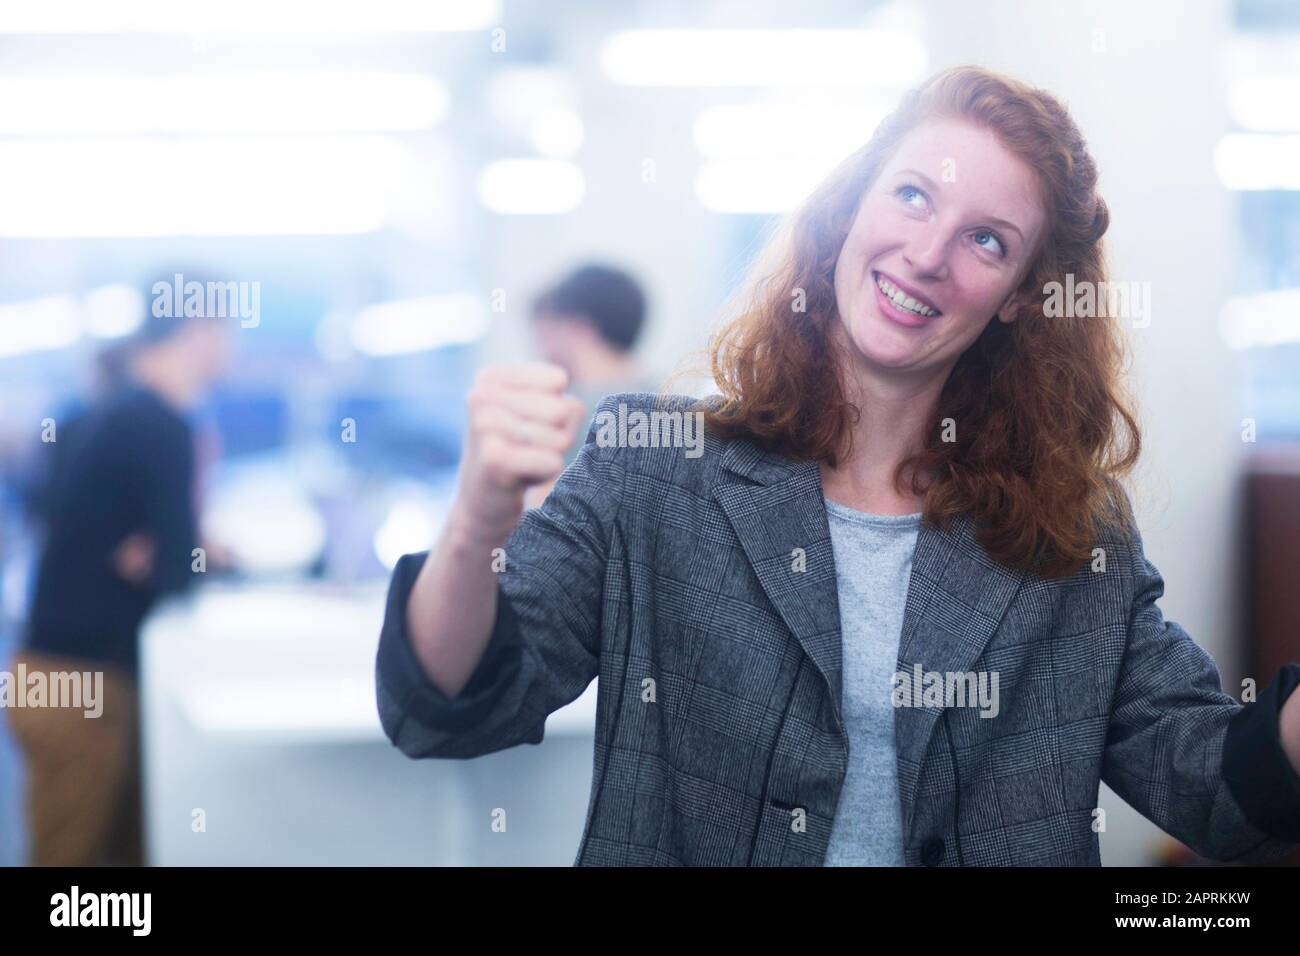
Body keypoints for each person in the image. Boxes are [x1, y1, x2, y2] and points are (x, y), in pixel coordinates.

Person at [375, 66, 1300, 865]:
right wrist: (478, 520)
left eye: (987, 240)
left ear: (1022, 297)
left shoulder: (1068, 530)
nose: (928, 255)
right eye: (911, 196)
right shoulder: (653, 470)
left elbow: (1214, 790)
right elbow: (455, 705)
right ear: (850, 206)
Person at [7, 296, 232, 866]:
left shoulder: (91, 414)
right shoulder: (161, 424)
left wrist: (158, 552)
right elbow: (182, 571)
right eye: (227, 330)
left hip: (47, 672)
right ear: (199, 329)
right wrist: (185, 552)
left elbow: (62, 521)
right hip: (87, 683)